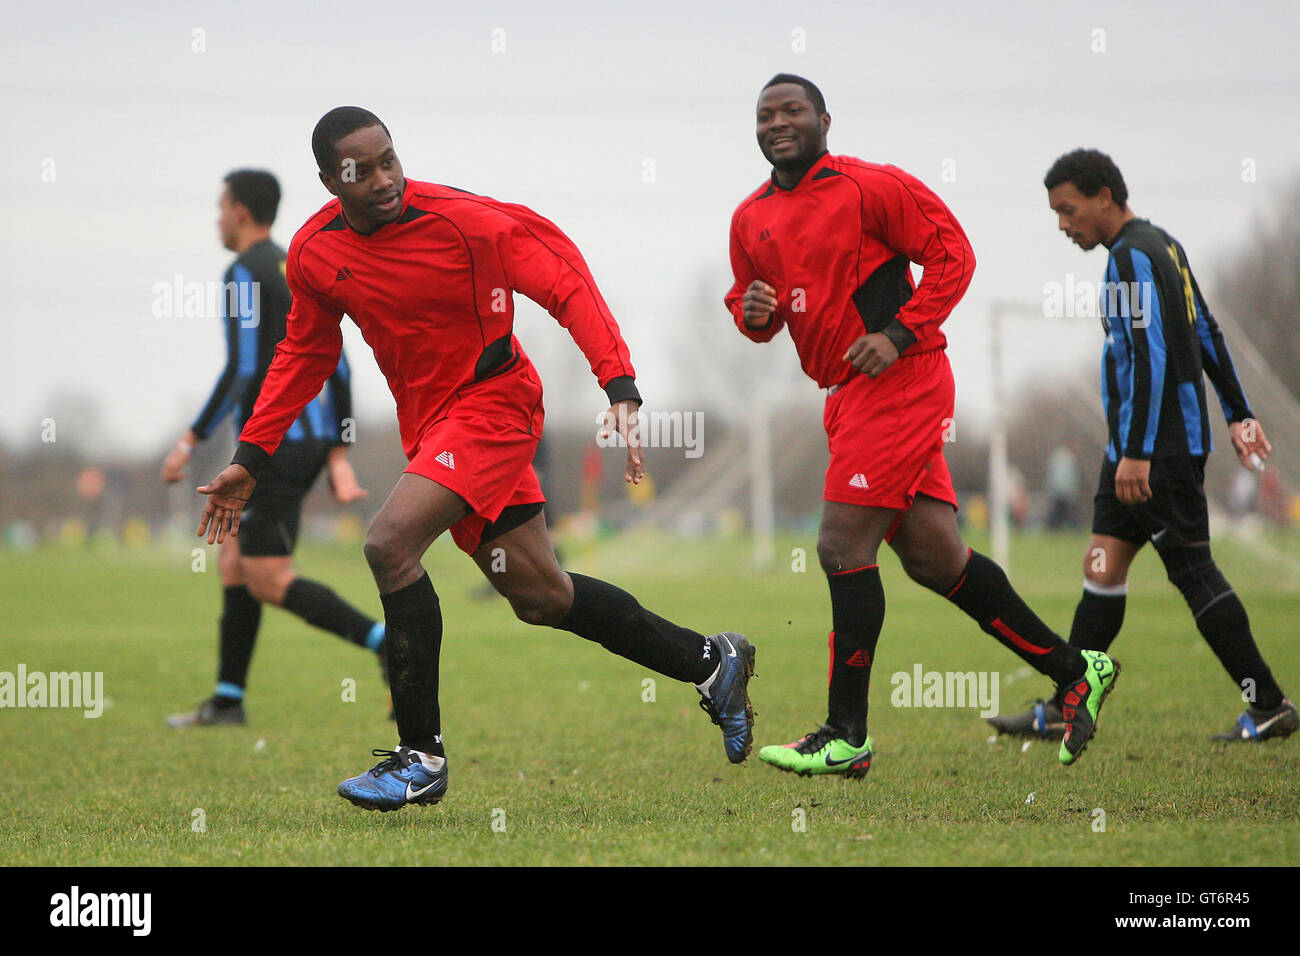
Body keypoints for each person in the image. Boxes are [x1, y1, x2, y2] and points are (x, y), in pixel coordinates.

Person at [195, 108, 755, 812]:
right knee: (541, 595)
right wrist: (252, 453)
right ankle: (713, 663)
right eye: (359, 171)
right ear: (328, 180)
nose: (383, 179)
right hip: (434, 429)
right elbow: (305, 352)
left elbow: (564, 280)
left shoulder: (467, 223)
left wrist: (619, 384)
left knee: (389, 544)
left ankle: (418, 757)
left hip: (496, 406)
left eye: (389, 160)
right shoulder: (314, 253)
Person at [726, 74, 1119, 777]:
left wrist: (901, 333)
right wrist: (754, 313)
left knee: (841, 544)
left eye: (793, 110)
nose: (778, 122)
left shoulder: (872, 187)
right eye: (765, 114)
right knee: (936, 559)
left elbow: (954, 256)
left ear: (824, 119)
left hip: (901, 383)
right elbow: (758, 314)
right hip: (845, 396)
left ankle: (848, 734)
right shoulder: (749, 218)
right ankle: (1074, 670)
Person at [990, 148, 1296, 743]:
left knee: (1193, 570)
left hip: (1155, 451)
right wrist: (1237, 411)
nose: (1063, 225)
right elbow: (1205, 327)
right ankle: (1067, 703)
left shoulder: (1132, 257)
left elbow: (1152, 354)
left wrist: (1137, 451)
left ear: (1105, 196)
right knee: (1102, 566)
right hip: (1133, 448)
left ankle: (1270, 705)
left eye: (1068, 210)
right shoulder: (1164, 245)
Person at [163, 169, 385, 727]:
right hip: (304, 441)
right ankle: (228, 699)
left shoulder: (244, 273)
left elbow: (241, 369)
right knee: (235, 563)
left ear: (239, 211)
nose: (217, 217)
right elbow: (341, 361)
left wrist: (191, 438)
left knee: (267, 576)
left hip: (273, 444)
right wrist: (338, 449)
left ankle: (386, 641)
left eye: (220, 206)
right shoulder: (298, 265)